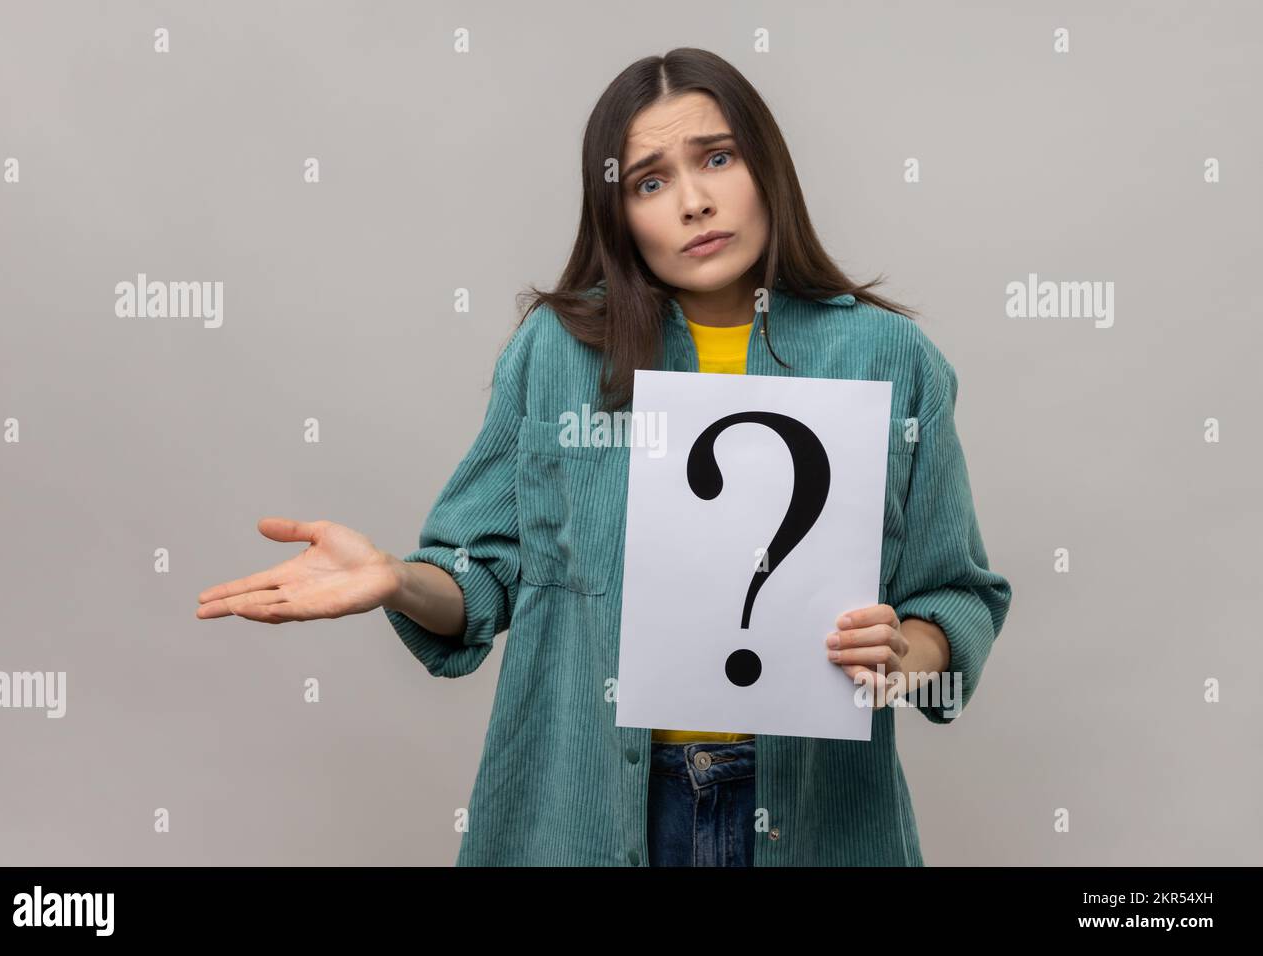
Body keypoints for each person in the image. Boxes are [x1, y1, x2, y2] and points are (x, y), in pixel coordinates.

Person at [196, 48, 1012, 867]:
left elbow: (955, 594)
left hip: (816, 817)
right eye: (650, 182)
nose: (694, 202)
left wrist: (909, 655)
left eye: (718, 159)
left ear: (768, 169)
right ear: (617, 213)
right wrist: (396, 579)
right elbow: (482, 574)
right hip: (584, 814)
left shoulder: (888, 355)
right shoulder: (558, 351)